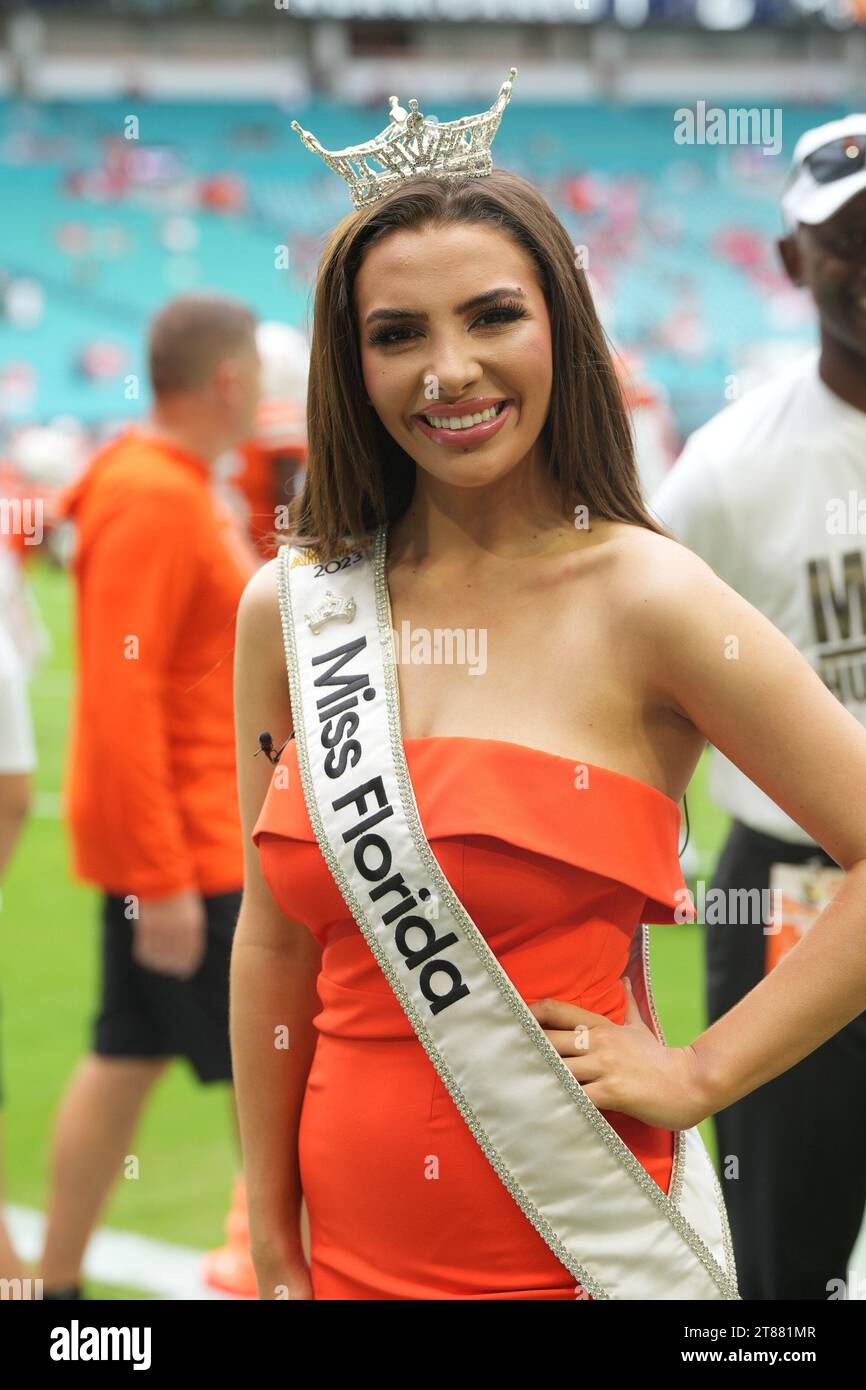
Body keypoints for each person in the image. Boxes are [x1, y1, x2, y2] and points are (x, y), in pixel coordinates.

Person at [231, 76, 866, 1300]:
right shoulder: (291, 611)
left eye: (490, 317)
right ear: (349, 361)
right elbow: (271, 938)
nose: (448, 371)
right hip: (344, 1253)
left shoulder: (650, 599)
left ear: (560, 329)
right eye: (397, 333)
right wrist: (268, 1235)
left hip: (581, 1243)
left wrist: (699, 1072)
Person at [650, 115, 866, 1300]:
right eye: (847, 238)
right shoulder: (727, 470)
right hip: (790, 890)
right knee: (779, 1262)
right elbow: (633, 686)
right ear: (789, 261)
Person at [40, 292, 260, 1300]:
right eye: (255, 371)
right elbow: (118, 703)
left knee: (124, 1053)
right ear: (227, 381)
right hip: (195, 852)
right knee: (280, 1084)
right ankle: (270, 1277)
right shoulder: (153, 494)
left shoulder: (178, 486)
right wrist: (159, 880)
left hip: (196, 839)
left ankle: (55, 1289)